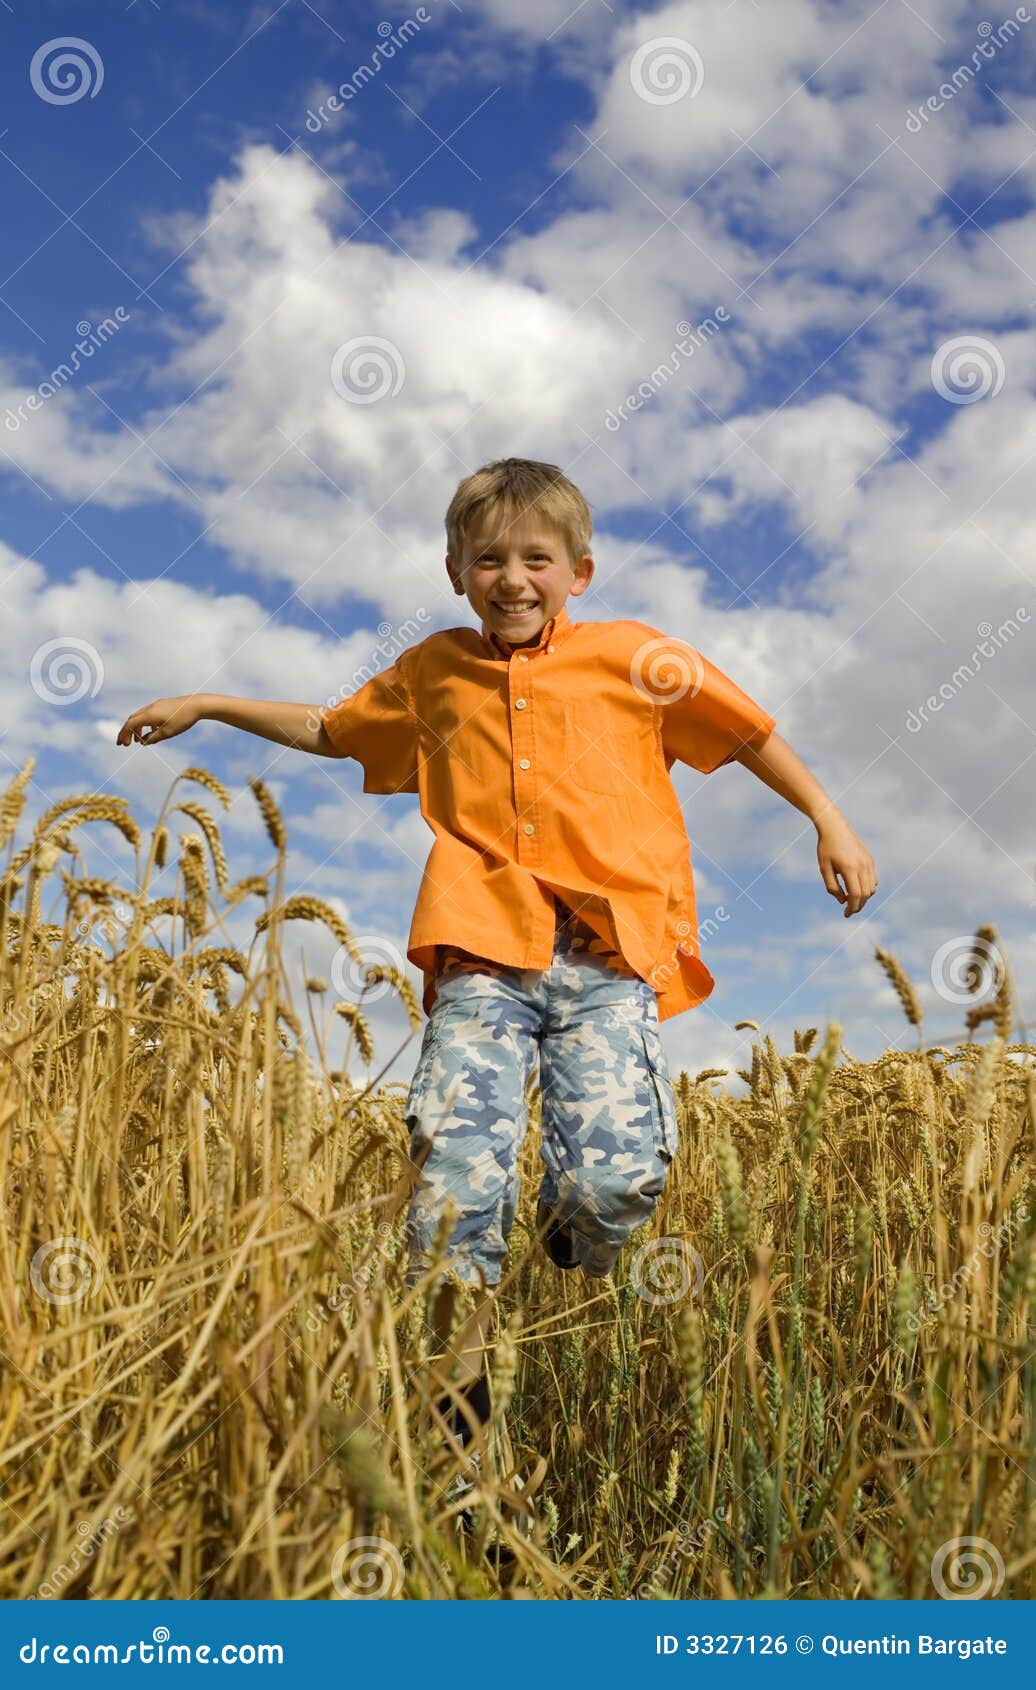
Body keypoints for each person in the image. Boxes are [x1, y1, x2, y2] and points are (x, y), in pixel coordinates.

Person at [115, 456, 877, 1537]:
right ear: (456, 572)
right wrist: (209, 702)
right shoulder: (433, 672)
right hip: (481, 951)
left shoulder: (631, 658)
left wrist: (828, 821)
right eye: (488, 559)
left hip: (609, 956)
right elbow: (334, 730)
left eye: (535, 558)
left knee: (616, 1178)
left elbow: (747, 731)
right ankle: (462, 1420)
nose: (512, 576)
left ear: (577, 570)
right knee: (455, 1183)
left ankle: (575, 1230)